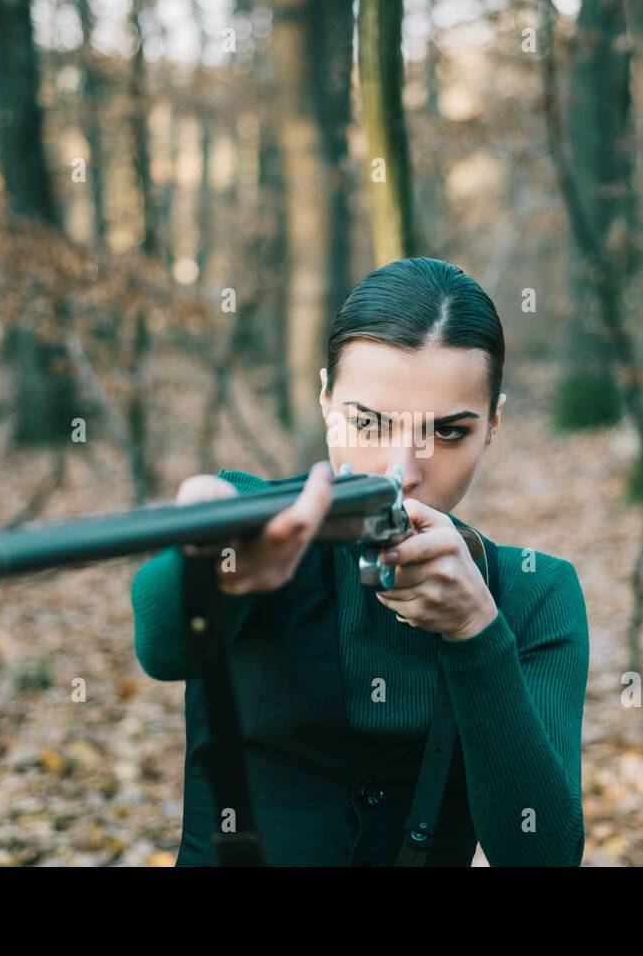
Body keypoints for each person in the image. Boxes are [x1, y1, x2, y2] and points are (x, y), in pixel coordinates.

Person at [132, 257, 589, 866]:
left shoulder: (535, 593)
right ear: (326, 400)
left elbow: (541, 854)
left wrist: (476, 631)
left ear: (494, 424)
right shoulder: (256, 517)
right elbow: (164, 649)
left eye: (448, 433)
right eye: (369, 423)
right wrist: (212, 569)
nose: (402, 468)